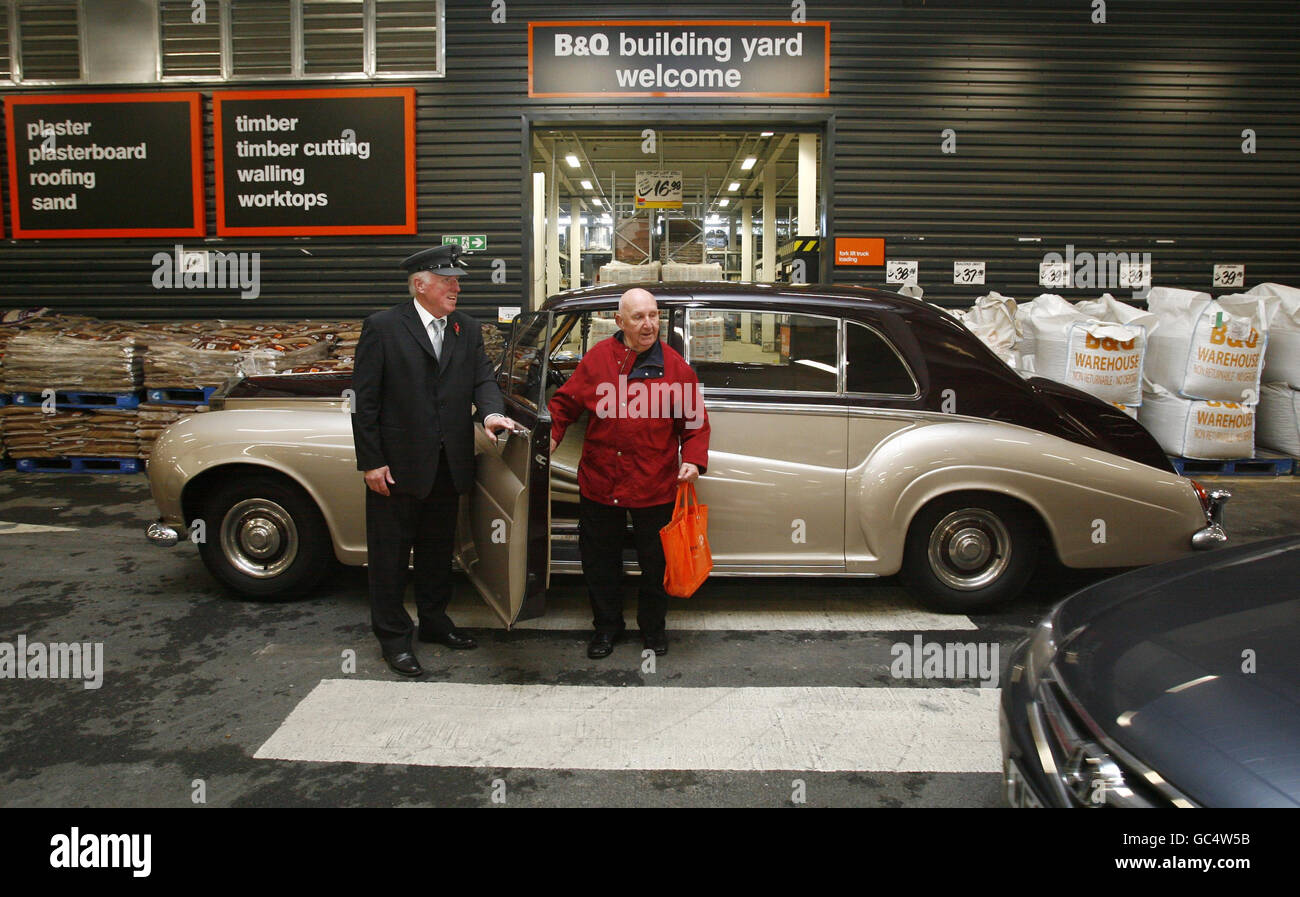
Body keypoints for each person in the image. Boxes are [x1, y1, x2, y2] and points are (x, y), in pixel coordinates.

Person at [350, 244, 518, 677]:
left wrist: (493, 414)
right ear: (420, 285)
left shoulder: (465, 328)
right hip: (398, 466)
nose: (456, 287)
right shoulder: (384, 328)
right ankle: (392, 638)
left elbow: (483, 379)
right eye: (448, 280)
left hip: (449, 464)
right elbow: (364, 404)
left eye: (457, 280)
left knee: (436, 550)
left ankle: (434, 621)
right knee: (389, 557)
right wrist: (371, 462)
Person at [548, 287, 710, 659]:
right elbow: (564, 404)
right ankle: (606, 627)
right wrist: (551, 436)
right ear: (619, 322)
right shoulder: (597, 361)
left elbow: (696, 423)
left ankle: (653, 630)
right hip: (600, 480)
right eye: (638, 317)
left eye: (653, 315)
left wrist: (694, 458)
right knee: (600, 562)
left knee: (656, 565)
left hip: (654, 483)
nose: (649, 324)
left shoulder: (676, 369)